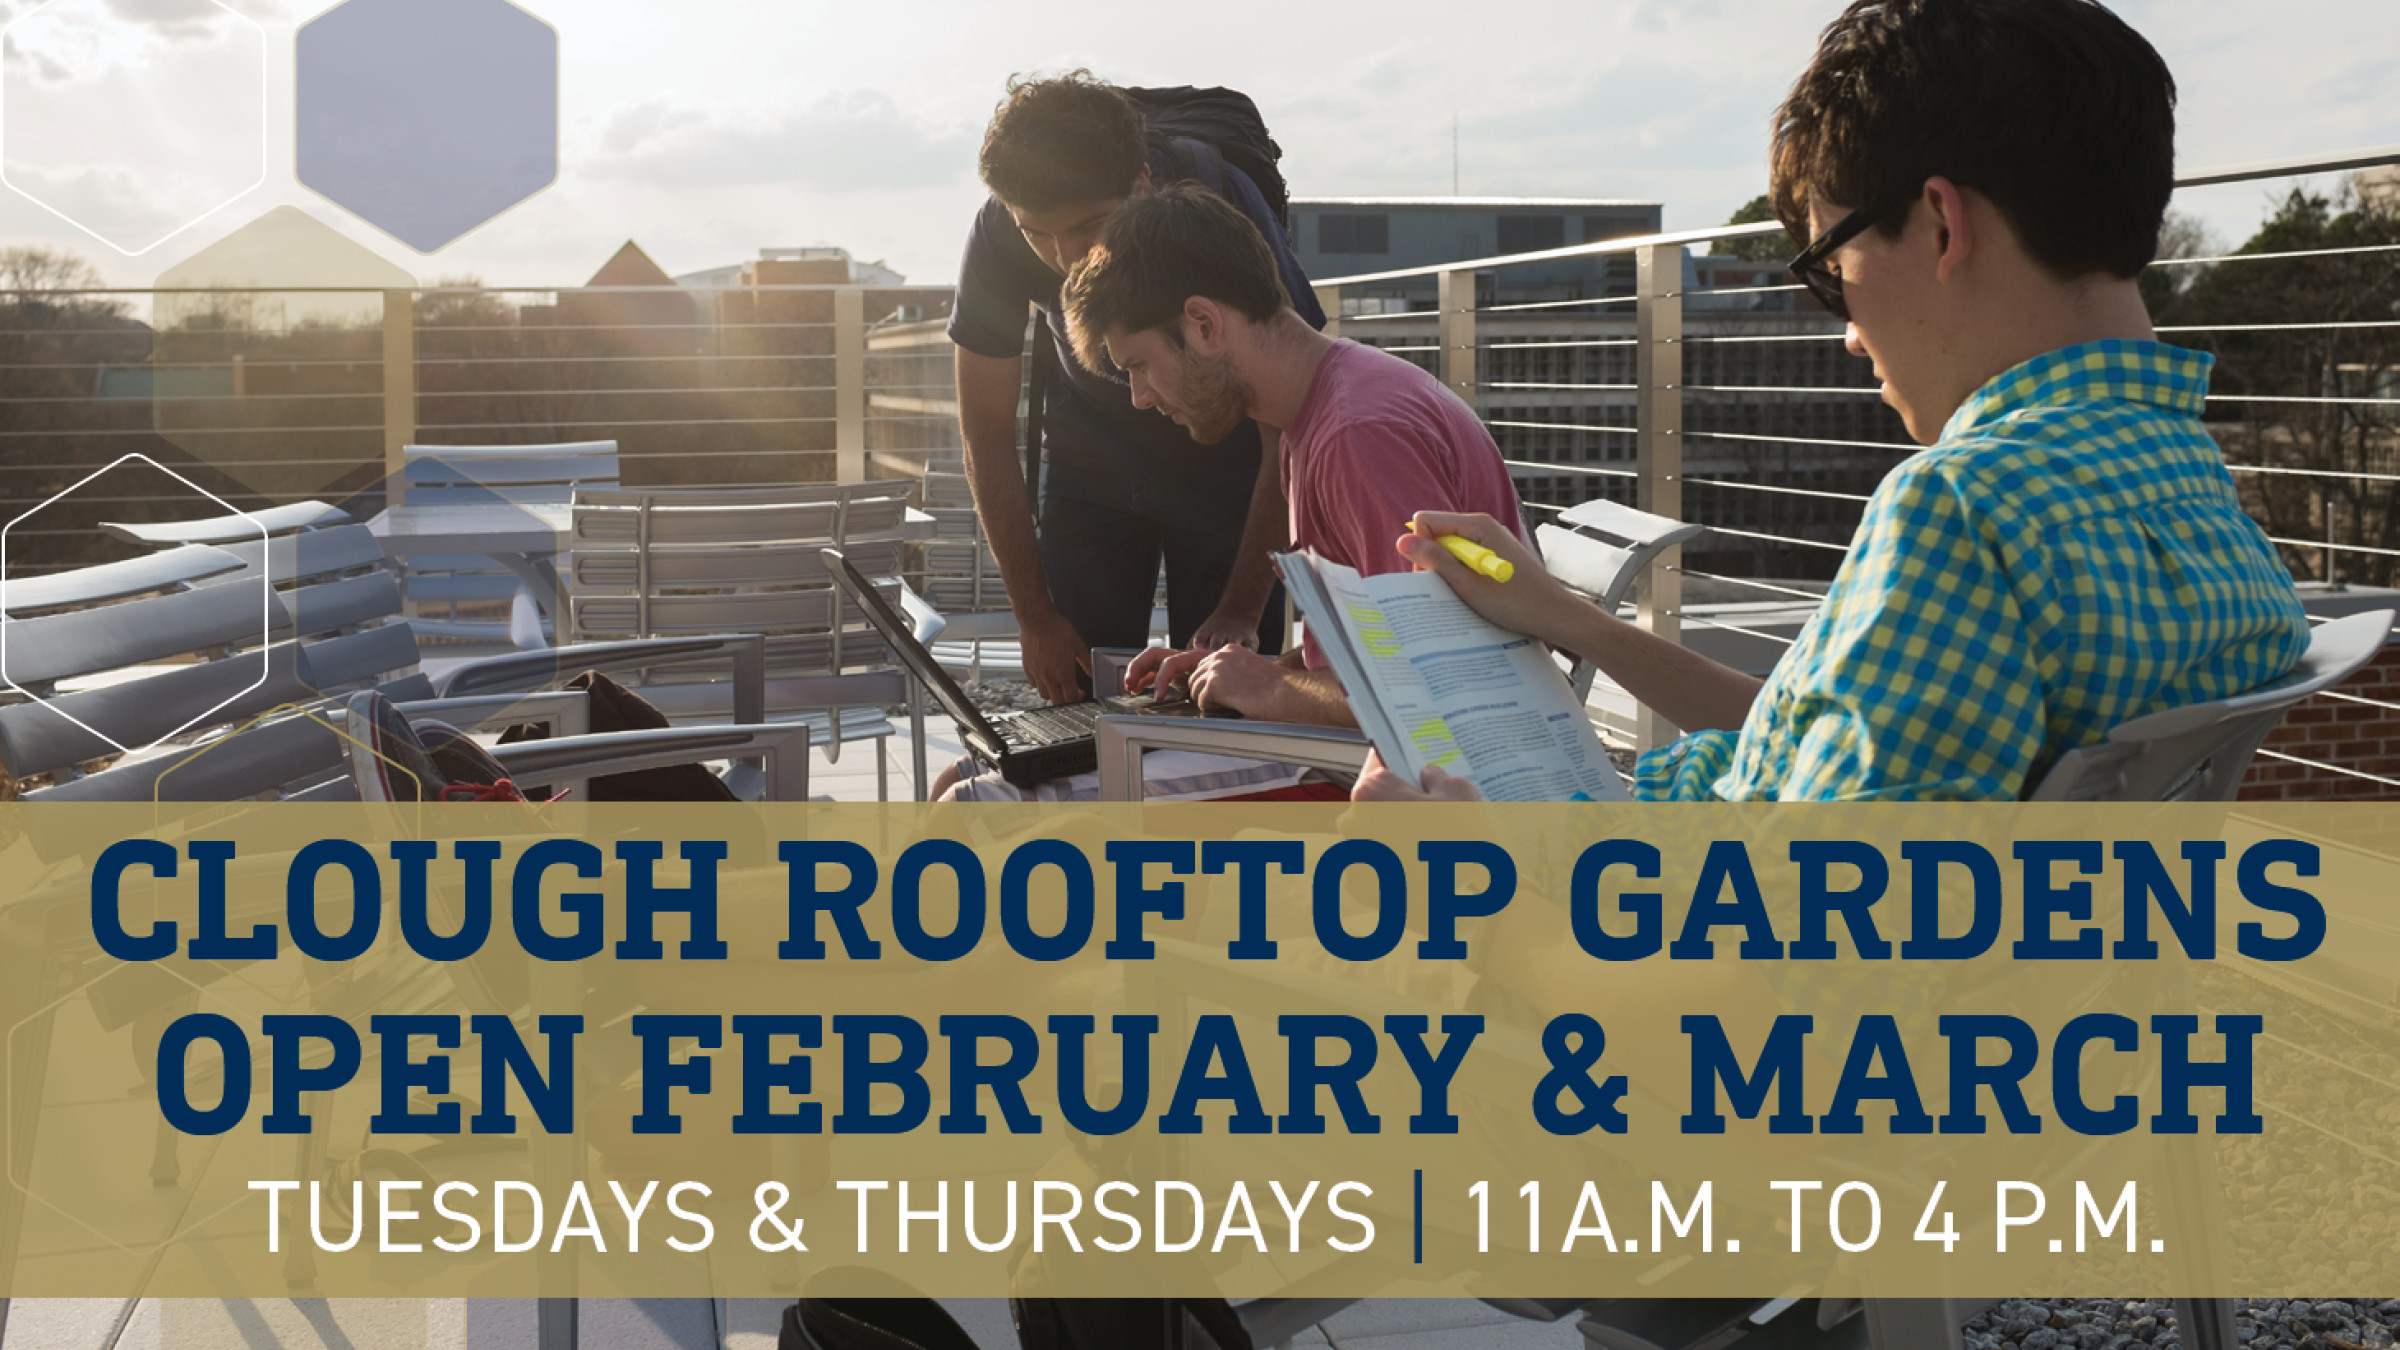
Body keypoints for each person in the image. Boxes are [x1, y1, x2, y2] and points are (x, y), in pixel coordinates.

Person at [1358, 0, 2310, 805]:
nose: (1847, 331)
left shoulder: (1964, 514)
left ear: (1942, 223)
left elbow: (1795, 963)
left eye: (1829, 269)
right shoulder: (2191, 491)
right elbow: (1848, 736)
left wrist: (1473, 876)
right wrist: (1578, 624)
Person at [926, 183, 1527, 801]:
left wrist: (1271, 690)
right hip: (1356, 748)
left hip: (1404, 780)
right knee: (969, 771)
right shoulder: (1325, 410)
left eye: (1138, 365)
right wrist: (1252, 672)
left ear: (1205, 324)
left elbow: (1438, 687)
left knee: (977, 805)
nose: (1141, 397)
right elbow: (1375, 654)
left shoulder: (1357, 436)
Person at [948, 72, 1324, 707]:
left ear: (1143, 184)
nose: (1066, 256)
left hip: (1225, 469)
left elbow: (1289, 424)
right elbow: (983, 433)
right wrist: (1034, 619)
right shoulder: (999, 231)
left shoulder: (1218, 209)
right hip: (1086, 463)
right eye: (1038, 232)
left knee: (1222, 709)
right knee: (1078, 706)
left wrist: (1240, 608)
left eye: (1090, 225)